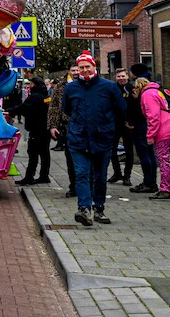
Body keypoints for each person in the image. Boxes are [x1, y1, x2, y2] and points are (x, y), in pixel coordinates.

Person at [60, 51, 124, 226]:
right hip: (78, 139)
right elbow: (66, 109)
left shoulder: (109, 87)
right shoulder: (71, 88)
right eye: (81, 68)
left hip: (102, 138)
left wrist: (109, 128)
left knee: (100, 176)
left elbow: (121, 110)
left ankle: (99, 208)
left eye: (88, 67)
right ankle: (84, 209)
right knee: (81, 174)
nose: (84, 70)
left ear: (94, 67)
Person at [135, 77, 170, 200]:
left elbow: (153, 117)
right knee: (169, 160)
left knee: (164, 160)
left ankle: (165, 190)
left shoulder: (147, 95)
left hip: (164, 131)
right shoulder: (157, 90)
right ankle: (168, 188)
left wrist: (150, 135)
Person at [127, 63, 158, 193]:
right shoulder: (154, 85)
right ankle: (152, 181)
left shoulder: (138, 87)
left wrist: (130, 121)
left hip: (140, 126)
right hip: (148, 125)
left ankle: (148, 182)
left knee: (144, 154)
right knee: (151, 154)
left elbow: (137, 109)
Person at [15, 76, 52, 185]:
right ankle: (44, 176)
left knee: (33, 154)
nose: (29, 86)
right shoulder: (46, 95)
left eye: (31, 84)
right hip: (45, 129)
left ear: (34, 85)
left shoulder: (35, 96)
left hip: (36, 130)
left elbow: (24, 107)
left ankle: (29, 177)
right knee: (45, 153)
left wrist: (9, 111)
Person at [107, 68, 134, 185]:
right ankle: (117, 173)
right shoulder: (112, 89)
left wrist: (131, 121)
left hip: (128, 124)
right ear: (115, 77)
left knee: (129, 150)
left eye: (123, 76)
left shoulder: (132, 88)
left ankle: (127, 176)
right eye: (119, 76)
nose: (121, 78)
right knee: (111, 150)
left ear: (127, 76)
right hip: (114, 123)